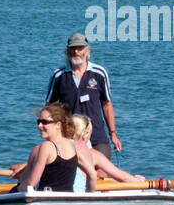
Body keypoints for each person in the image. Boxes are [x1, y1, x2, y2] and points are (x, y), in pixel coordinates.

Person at [45, 32, 121, 160]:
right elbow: (49, 109)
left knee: (101, 174)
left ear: (87, 50)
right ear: (67, 51)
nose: (76, 51)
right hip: (68, 137)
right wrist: (51, 135)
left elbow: (107, 105)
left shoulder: (99, 73)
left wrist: (113, 134)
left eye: (80, 48)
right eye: (73, 48)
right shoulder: (58, 76)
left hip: (97, 136)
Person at [15, 103, 97, 193]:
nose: (39, 126)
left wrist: (18, 187)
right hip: (67, 201)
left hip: (45, 201)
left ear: (58, 124)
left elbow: (31, 183)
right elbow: (92, 174)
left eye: (44, 122)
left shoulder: (46, 146)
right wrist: (87, 195)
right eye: (39, 121)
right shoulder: (73, 147)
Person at [68, 117, 143, 191]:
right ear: (85, 135)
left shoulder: (60, 148)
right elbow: (122, 177)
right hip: (81, 195)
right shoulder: (92, 153)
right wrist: (139, 181)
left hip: (61, 194)